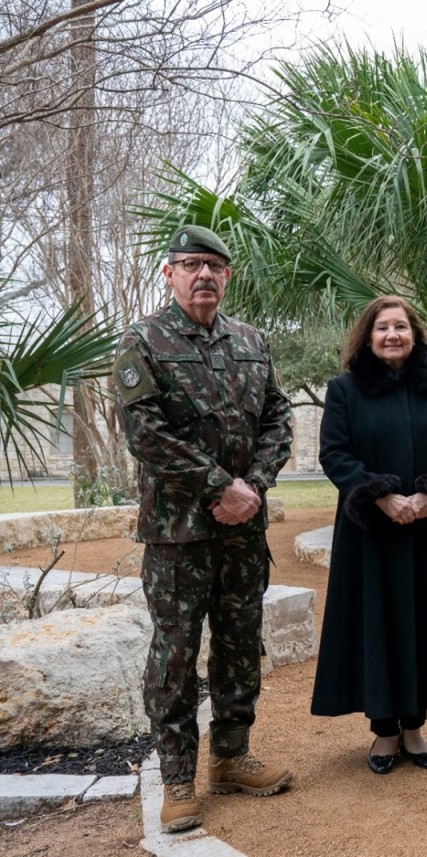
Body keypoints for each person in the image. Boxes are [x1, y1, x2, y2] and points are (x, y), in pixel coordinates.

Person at [112, 225, 294, 834]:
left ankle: (232, 757)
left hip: (243, 531)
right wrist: (221, 487)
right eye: (190, 264)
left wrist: (254, 488)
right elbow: (145, 434)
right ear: (169, 274)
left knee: (241, 644)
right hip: (178, 533)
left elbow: (278, 417)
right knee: (176, 654)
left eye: (214, 265)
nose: (204, 275)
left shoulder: (252, 341)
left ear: (228, 276)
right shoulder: (143, 340)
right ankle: (178, 779)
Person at [311, 295, 427, 774]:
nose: (392, 335)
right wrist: (381, 496)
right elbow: (335, 453)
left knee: (423, 623)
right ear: (368, 337)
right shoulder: (345, 391)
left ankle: (415, 729)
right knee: (377, 624)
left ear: (415, 334)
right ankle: (385, 733)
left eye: (401, 327)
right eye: (382, 328)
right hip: (371, 535)